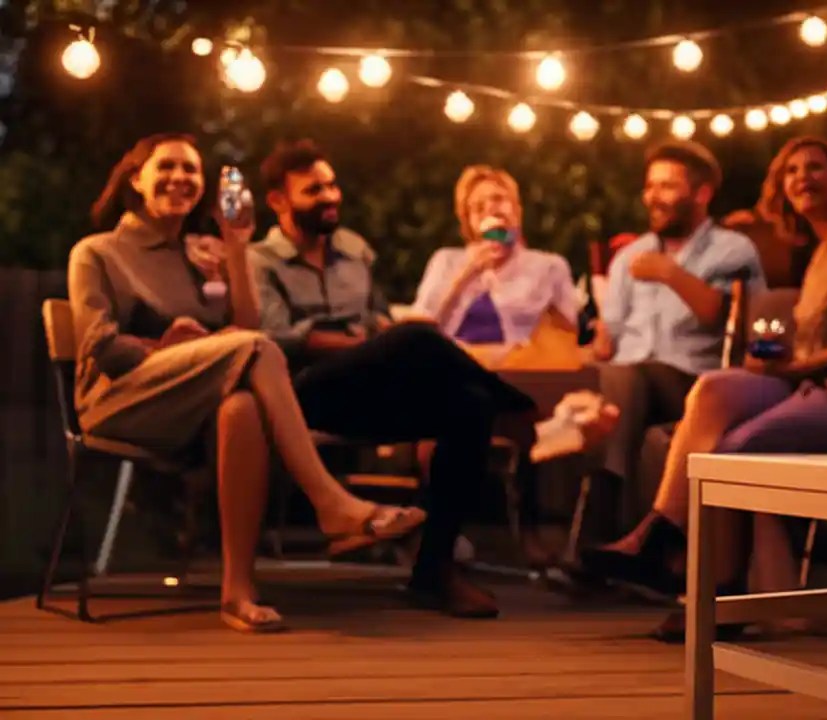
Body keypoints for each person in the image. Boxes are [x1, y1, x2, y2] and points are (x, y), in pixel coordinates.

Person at [68, 134, 425, 633]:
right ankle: (331, 503)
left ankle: (236, 591)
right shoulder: (98, 252)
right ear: (136, 179)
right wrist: (161, 347)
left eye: (192, 171)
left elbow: (245, 324)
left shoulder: (198, 255)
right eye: (166, 167)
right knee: (255, 350)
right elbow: (98, 347)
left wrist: (236, 246)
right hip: (119, 399)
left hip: (189, 398)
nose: (180, 178)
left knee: (242, 407)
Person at [249, 140, 587, 618]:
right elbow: (274, 339)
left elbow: (379, 321)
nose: (329, 196)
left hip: (362, 394)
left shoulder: (353, 253)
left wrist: (374, 340)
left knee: (468, 403)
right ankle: (519, 411)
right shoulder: (259, 260)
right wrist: (359, 342)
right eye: (313, 190)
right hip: (296, 395)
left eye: (331, 185)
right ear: (279, 202)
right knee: (417, 337)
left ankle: (435, 570)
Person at [582, 137, 827, 641]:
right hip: (799, 382)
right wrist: (778, 359)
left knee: (730, 448)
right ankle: (658, 533)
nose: (802, 178)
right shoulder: (818, 252)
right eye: (792, 170)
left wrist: (792, 369)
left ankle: (715, 594)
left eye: (815, 167)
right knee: (714, 388)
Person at [589, 140, 765, 528]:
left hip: (694, 386)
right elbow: (608, 342)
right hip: (627, 384)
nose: (653, 196)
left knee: (627, 379)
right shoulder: (627, 258)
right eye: (650, 186)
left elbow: (722, 318)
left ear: (701, 193)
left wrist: (669, 273)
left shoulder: (733, 250)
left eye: (667, 186)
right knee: (607, 385)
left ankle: (599, 525)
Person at [411, 165, 578, 351]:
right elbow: (417, 329)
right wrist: (465, 275)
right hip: (454, 368)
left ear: (516, 209)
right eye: (478, 207)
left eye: (498, 199)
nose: (490, 209)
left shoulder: (549, 267)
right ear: (468, 222)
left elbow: (568, 335)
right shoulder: (445, 261)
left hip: (517, 371)